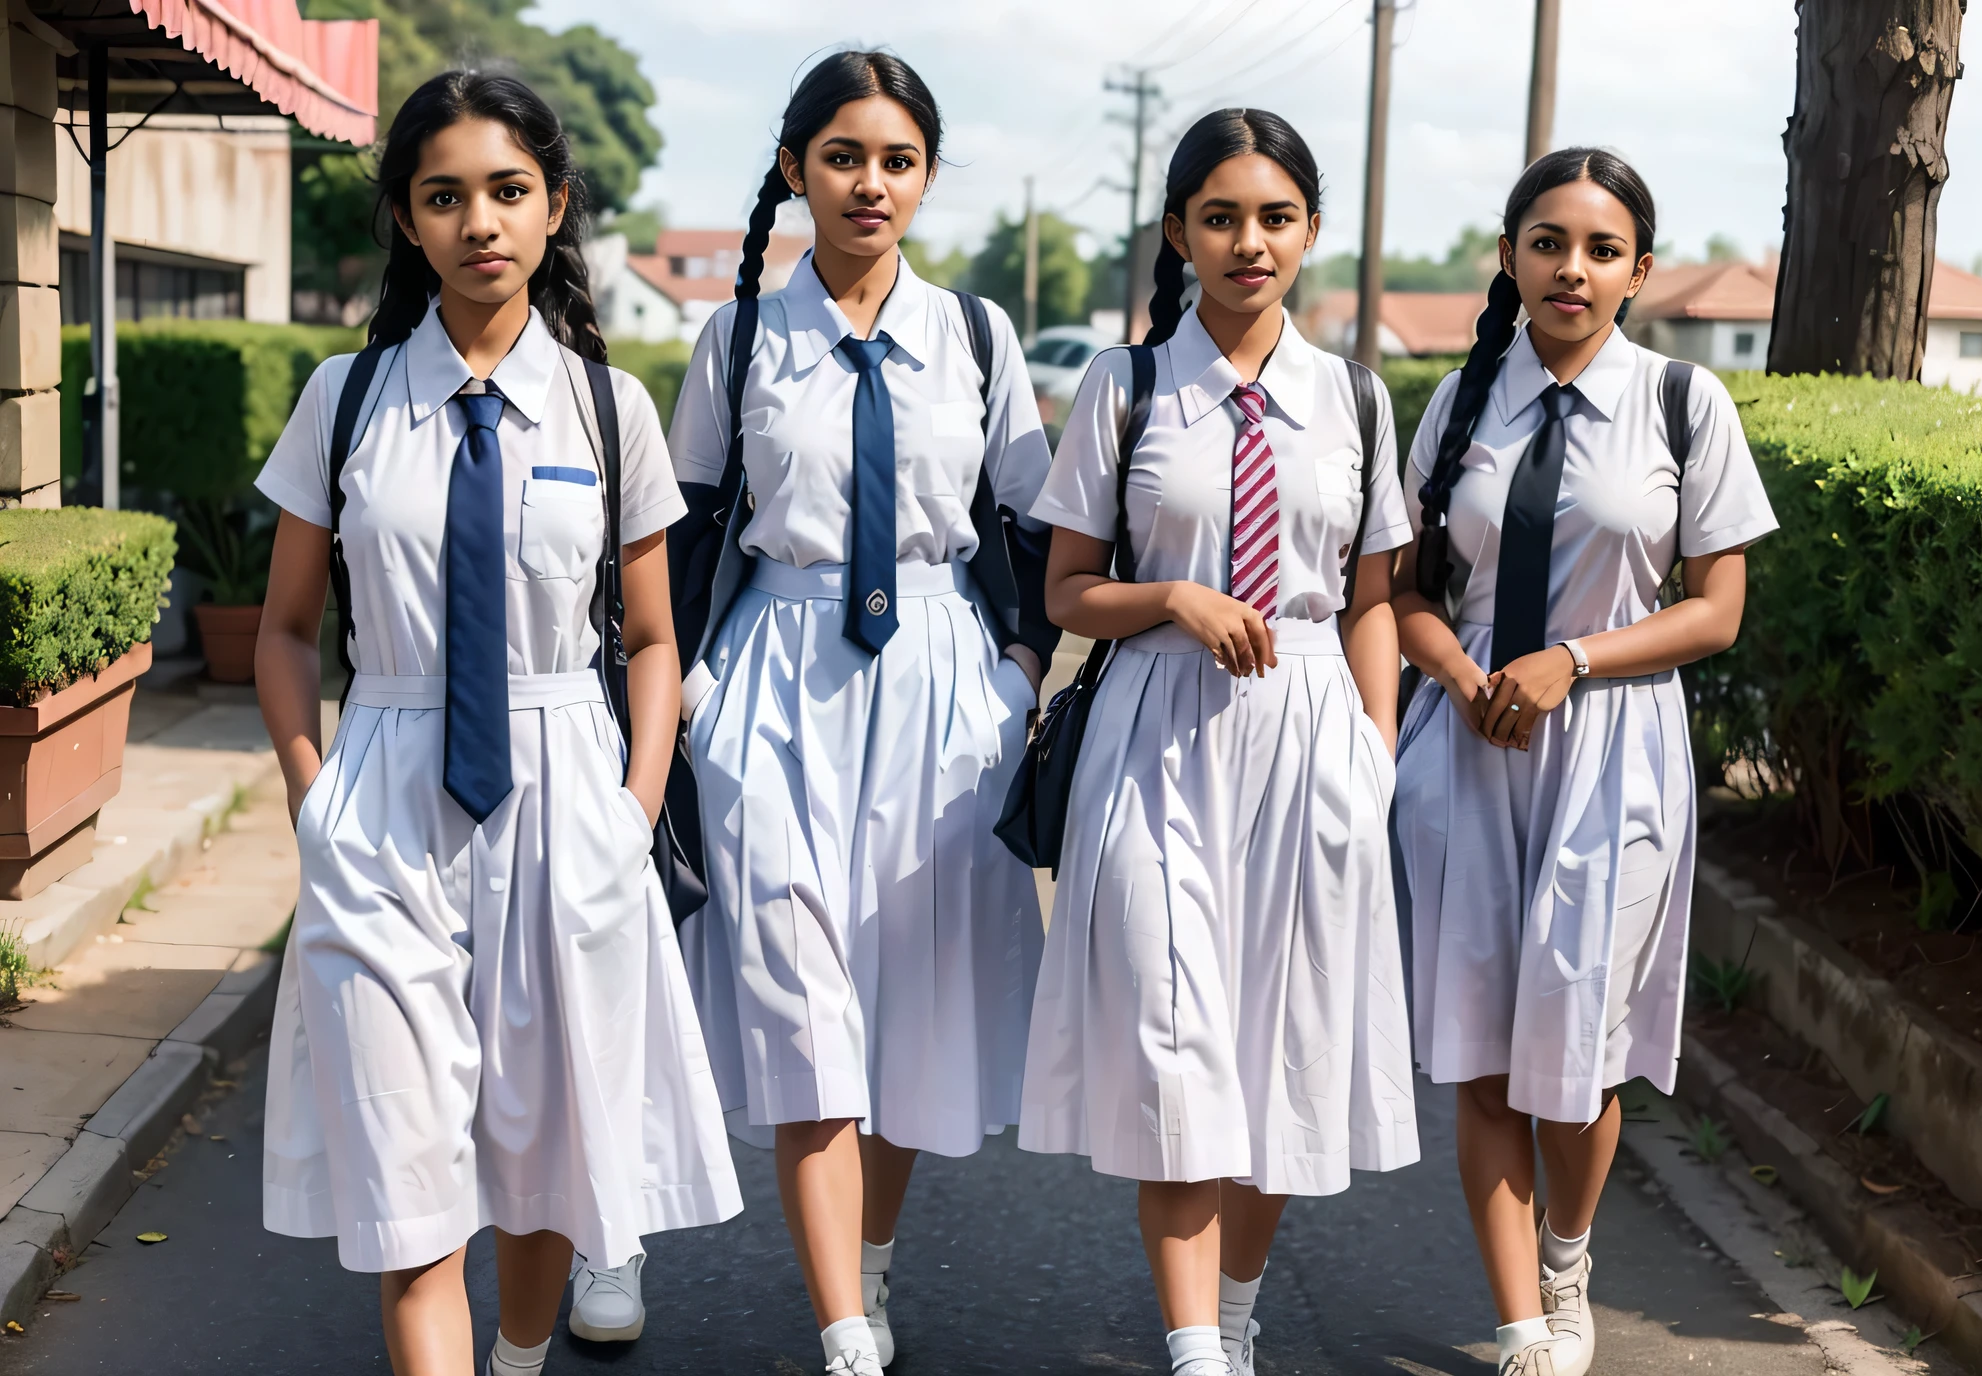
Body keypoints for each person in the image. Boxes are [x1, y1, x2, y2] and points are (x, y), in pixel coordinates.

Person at [252, 71, 740, 1376]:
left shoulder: (606, 407)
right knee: (415, 1200)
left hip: (567, 796)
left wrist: (631, 813)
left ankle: (517, 1359)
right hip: (386, 804)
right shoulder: (343, 403)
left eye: (508, 191)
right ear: (408, 222)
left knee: (539, 1173)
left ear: (555, 206)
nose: (481, 221)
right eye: (445, 195)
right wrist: (317, 796)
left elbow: (649, 638)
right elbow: (287, 632)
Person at [659, 50, 1057, 1376]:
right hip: (775, 672)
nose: (868, 183)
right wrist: (696, 692)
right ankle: (843, 1332)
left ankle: (867, 1273)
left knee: (899, 1004)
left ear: (926, 177)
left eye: (895, 160)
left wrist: (1012, 668)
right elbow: (685, 527)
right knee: (799, 995)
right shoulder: (740, 339)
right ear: (795, 171)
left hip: (942, 682)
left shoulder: (979, 340)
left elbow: (1034, 529)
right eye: (842, 157)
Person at [1018, 109, 1419, 1376]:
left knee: (1277, 1042)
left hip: (1310, 734)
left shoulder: (1353, 395)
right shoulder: (1124, 385)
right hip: (1153, 727)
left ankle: (1233, 1314)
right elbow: (1065, 589)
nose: (1249, 243)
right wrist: (1173, 600)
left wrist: (1374, 757)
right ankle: (1196, 1345)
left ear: (1309, 229)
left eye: (1276, 217)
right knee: (1168, 1029)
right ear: (1179, 231)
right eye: (1221, 216)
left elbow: (1370, 602)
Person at [1390, 148, 1778, 1376]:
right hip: (1466, 748)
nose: (1572, 267)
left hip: (1613, 751)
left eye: (1600, 248)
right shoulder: (1457, 404)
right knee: (1483, 1045)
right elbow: (1401, 594)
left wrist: (1571, 658)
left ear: (1638, 274)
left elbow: (1715, 609)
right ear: (1507, 255)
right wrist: (1461, 679)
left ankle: (1569, 1254)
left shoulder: (1681, 403)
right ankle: (1521, 1320)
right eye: (1547, 240)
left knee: (1577, 1051)